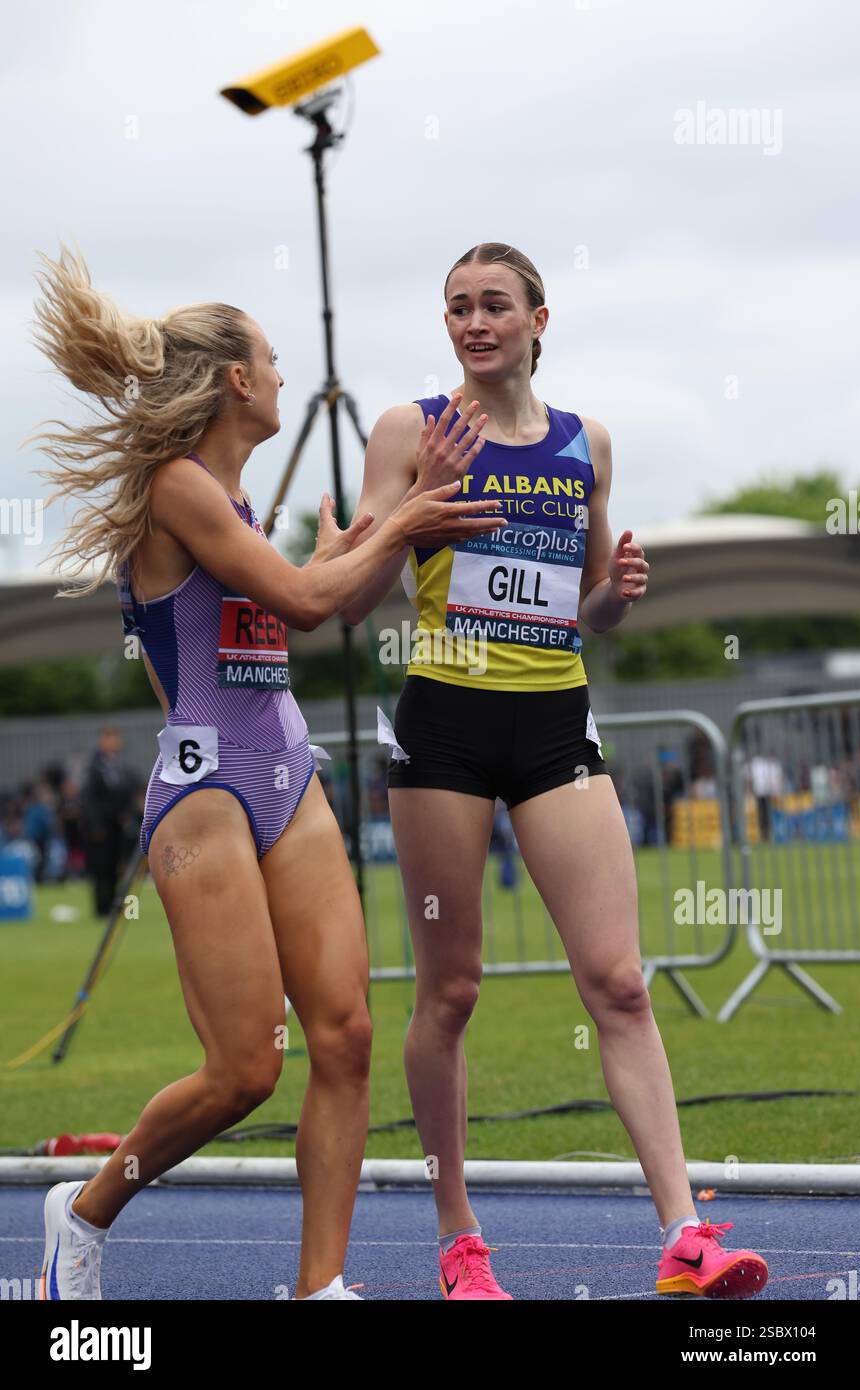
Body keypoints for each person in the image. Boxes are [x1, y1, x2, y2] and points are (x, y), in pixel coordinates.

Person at [27, 243, 504, 1302]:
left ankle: (318, 1287)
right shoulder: (177, 488)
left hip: (287, 766)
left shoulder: (240, 509)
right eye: (275, 361)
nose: (287, 376)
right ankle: (85, 1208)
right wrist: (412, 514)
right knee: (246, 1069)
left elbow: (321, 602)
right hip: (203, 789)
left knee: (345, 1032)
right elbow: (299, 599)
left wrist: (379, 530)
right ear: (235, 380)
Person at [341, 242, 769, 1301]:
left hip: (552, 719)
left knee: (618, 982)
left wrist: (617, 596)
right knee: (449, 990)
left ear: (539, 317)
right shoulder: (409, 428)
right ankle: (459, 1241)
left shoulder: (588, 443)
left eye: (493, 305)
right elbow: (345, 600)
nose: (473, 322)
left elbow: (582, 607)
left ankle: (682, 1235)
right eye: (455, 308)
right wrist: (414, 506)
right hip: (441, 718)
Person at [79, 726, 139, 912]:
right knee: (101, 866)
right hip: (100, 826)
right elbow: (90, 798)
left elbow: (128, 790)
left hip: (117, 824)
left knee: (116, 865)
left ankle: (115, 902)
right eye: (109, 738)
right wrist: (96, 825)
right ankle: (102, 905)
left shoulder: (121, 766)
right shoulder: (95, 766)